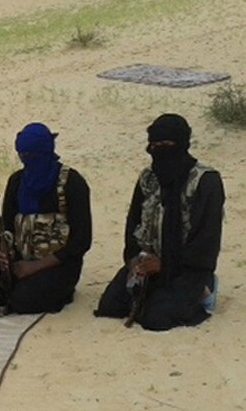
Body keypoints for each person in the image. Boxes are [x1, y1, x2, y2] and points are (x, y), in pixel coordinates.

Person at [95, 114, 224, 330]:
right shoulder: (148, 178)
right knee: (111, 305)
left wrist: (165, 265)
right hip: (149, 262)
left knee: (155, 319)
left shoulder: (205, 181)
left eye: (166, 145)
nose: (158, 151)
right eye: (154, 145)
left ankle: (205, 289)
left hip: (187, 267)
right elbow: (134, 222)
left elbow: (206, 242)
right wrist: (135, 259)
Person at [0, 122, 92, 314]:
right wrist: (4, 256)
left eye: (32, 156)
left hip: (58, 264)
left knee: (23, 301)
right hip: (19, 262)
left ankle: (62, 291)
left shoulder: (71, 183)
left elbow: (82, 240)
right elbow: (8, 227)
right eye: (23, 156)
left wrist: (36, 266)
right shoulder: (17, 181)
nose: (27, 160)